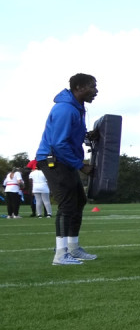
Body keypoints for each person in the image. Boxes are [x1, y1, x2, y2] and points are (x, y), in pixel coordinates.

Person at [35, 73, 99, 265]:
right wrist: (81, 166)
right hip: (54, 160)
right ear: (78, 87)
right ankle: (61, 255)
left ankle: (73, 248)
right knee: (67, 205)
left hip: (63, 159)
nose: (96, 91)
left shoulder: (77, 109)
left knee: (79, 201)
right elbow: (59, 143)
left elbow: (70, 137)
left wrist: (88, 136)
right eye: (92, 86)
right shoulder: (65, 109)